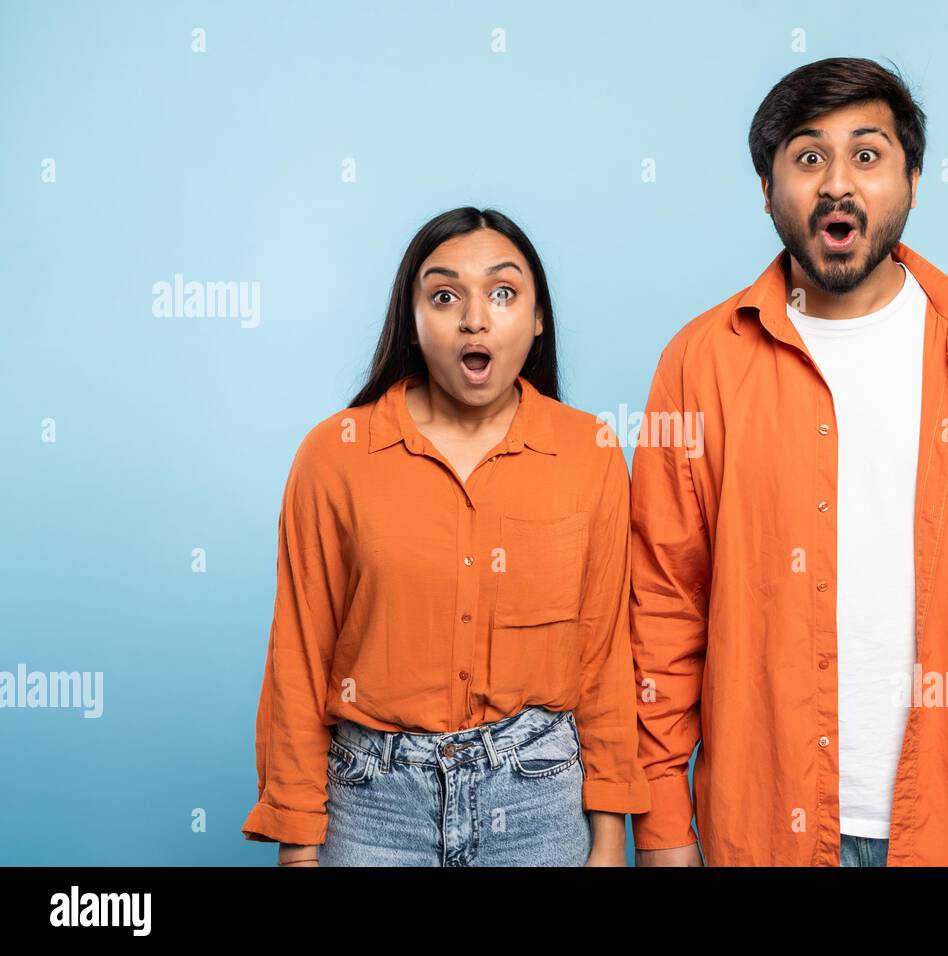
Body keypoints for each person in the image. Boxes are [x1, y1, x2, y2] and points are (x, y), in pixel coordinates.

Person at [628, 57, 948, 867]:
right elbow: (664, 600)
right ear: (767, 189)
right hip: (759, 826)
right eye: (808, 157)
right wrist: (662, 813)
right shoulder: (701, 362)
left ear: (913, 180)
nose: (837, 183)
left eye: (867, 154)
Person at [240, 207, 649, 866]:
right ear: (413, 322)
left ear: (538, 318)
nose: (475, 318)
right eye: (444, 295)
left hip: (538, 801)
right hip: (373, 805)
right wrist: (296, 842)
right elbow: (298, 657)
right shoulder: (334, 454)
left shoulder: (590, 451)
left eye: (504, 293)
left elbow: (603, 659)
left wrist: (608, 837)